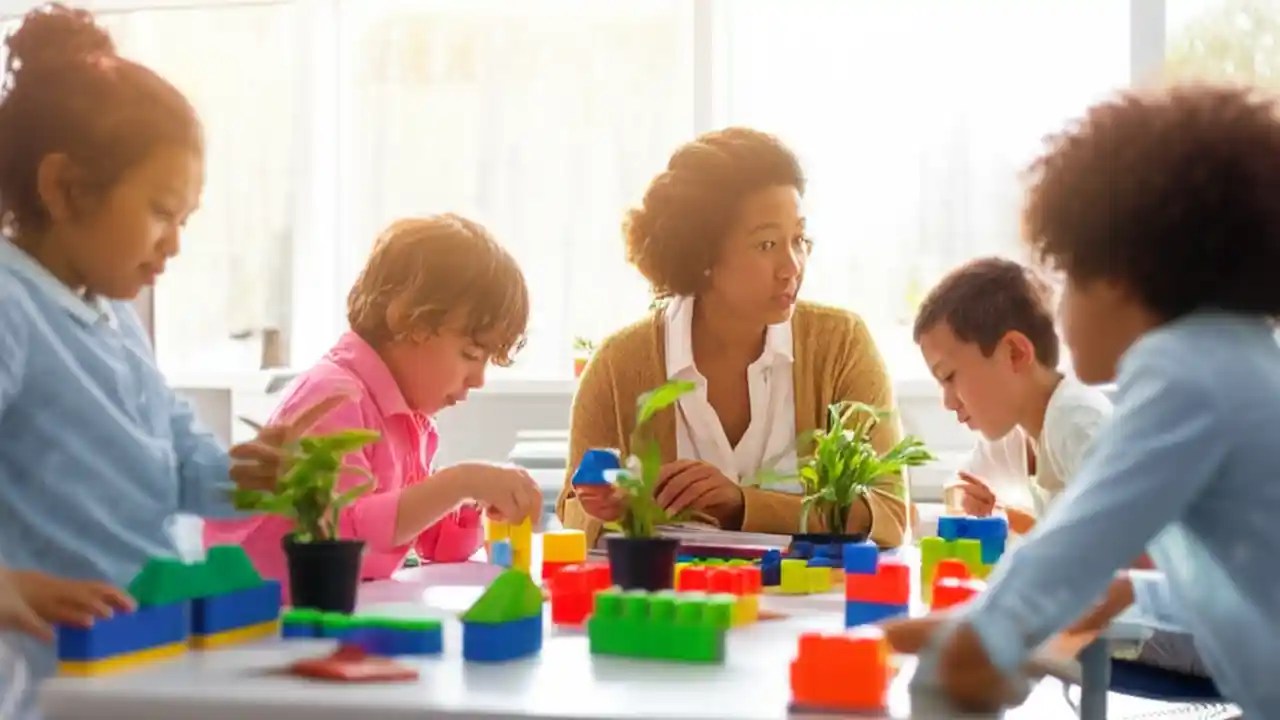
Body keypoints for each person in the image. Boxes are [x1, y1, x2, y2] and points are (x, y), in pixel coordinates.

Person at [884, 85, 1280, 717]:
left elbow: (1065, 553)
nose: (1058, 310)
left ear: (1120, 275)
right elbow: (1251, 582)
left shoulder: (1184, 370)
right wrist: (1131, 592)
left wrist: (983, 633)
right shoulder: (1239, 360)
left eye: (1066, 278)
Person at [0, 5, 331, 714]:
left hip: (140, 660)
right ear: (63, 189)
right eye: (159, 211)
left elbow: (172, 457)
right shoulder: (10, 308)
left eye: (186, 219)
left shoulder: (115, 316)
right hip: (43, 681)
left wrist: (239, 476)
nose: (175, 243)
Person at [556, 127, 909, 548]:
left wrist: (743, 506)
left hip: (816, 606)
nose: (791, 266)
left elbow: (887, 512)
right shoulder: (619, 363)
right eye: (766, 245)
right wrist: (613, 506)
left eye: (799, 240)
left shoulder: (841, 345)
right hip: (673, 607)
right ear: (703, 255)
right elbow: (573, 511)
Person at [205, 216, 543, 595]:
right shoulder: (335, 397)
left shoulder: (408, 418)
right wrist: (459, 481)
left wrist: (470, 501)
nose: (478, 379)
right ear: (410, 321)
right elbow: (346, 532)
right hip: (254, 618)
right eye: (470, 353)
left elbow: (432, 543)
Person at [913, 257, 1111, 535]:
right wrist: (963, 498)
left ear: (1015, 353)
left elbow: (1130, 551)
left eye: (948, 376)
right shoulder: (1014, 436)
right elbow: (959, 489)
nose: (947, 401)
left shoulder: (1077, 423)